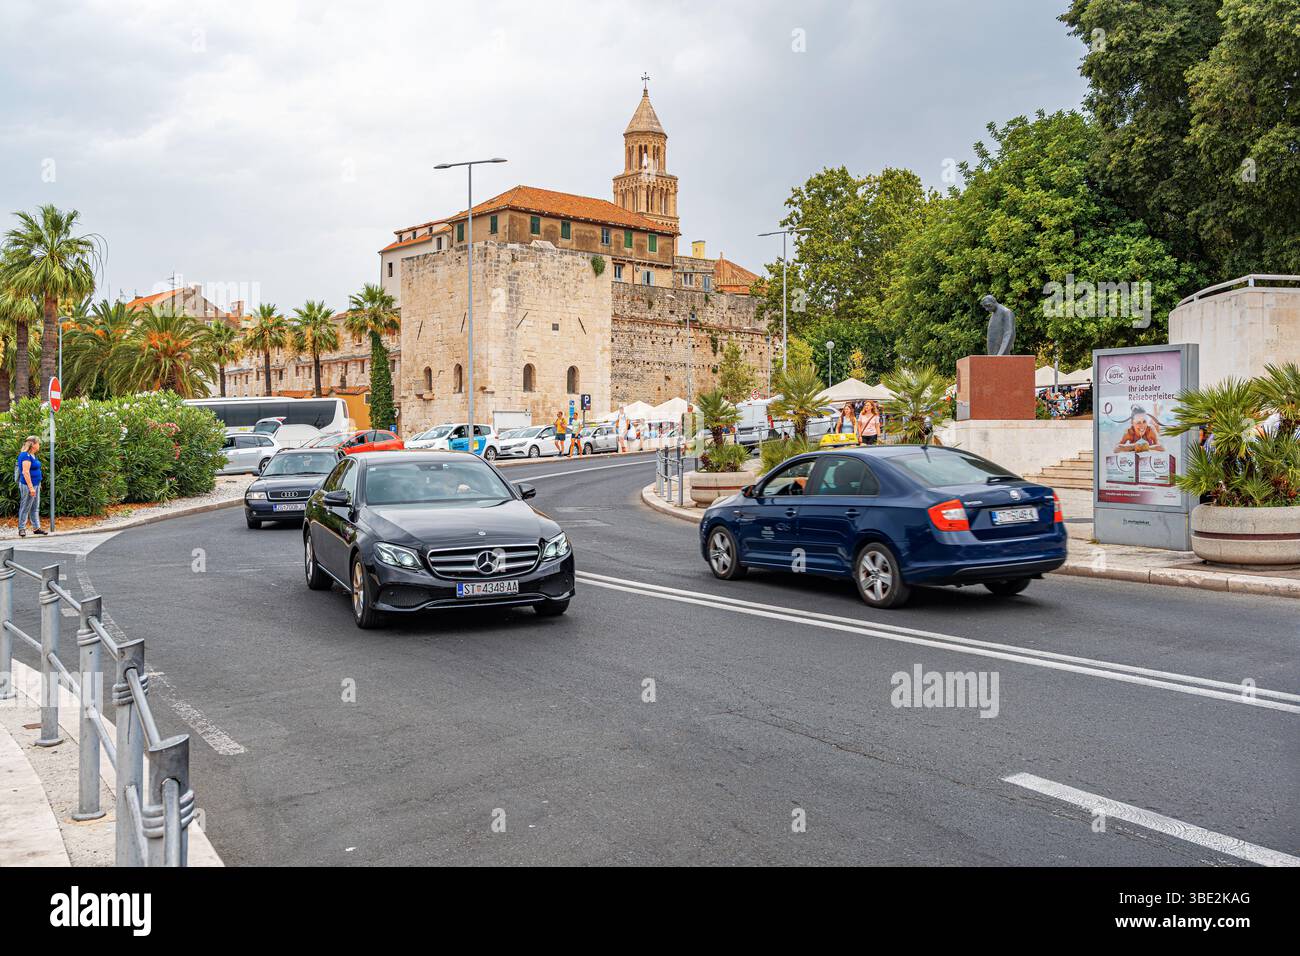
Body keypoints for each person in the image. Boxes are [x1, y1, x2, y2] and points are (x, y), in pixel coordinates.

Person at [15, 436, 45, 537]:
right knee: (25, 507)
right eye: (38, 443)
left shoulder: (32, 455)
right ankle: (21, 528)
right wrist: (31, 488)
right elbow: (26, 472)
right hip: (28, 485)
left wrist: (37, 485)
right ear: (33, 444)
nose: (39, 445)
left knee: (35, 507)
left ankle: (36, 528)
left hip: (36, 484)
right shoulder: (25, 456)